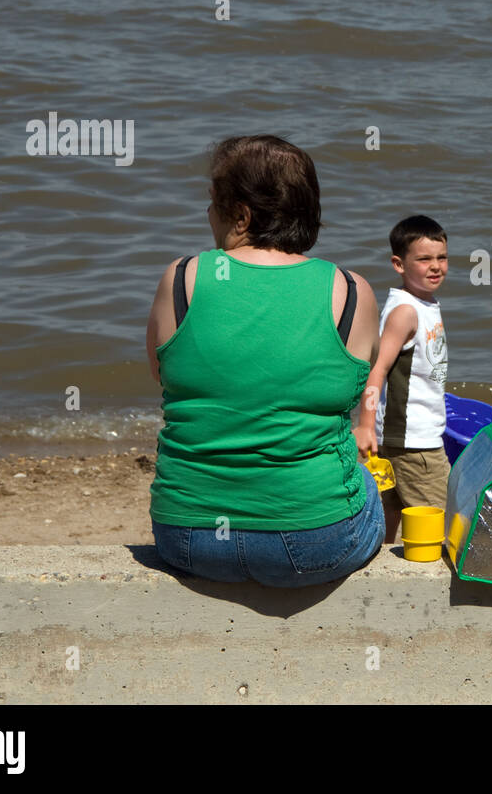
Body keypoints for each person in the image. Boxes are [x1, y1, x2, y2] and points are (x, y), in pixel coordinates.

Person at [145, 135, 384, 587]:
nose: (207, 214)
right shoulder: (350, 290)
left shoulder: (181, 278)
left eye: (213, 202)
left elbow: (163, 374)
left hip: (188, 538)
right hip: (317, 538)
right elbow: (350, 387)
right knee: (368, 485)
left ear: (242, 215)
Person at [355, 216, 451, 511]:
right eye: (424, 259)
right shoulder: (406, 312)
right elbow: (377, 368)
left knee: (391, 509)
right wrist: (366, 425)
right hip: (415, 444)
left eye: (442, 257)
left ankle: (381, 552)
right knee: (442, 515)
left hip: (410, 435)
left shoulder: (425, 303)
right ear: (399, 264)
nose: (435, 266)